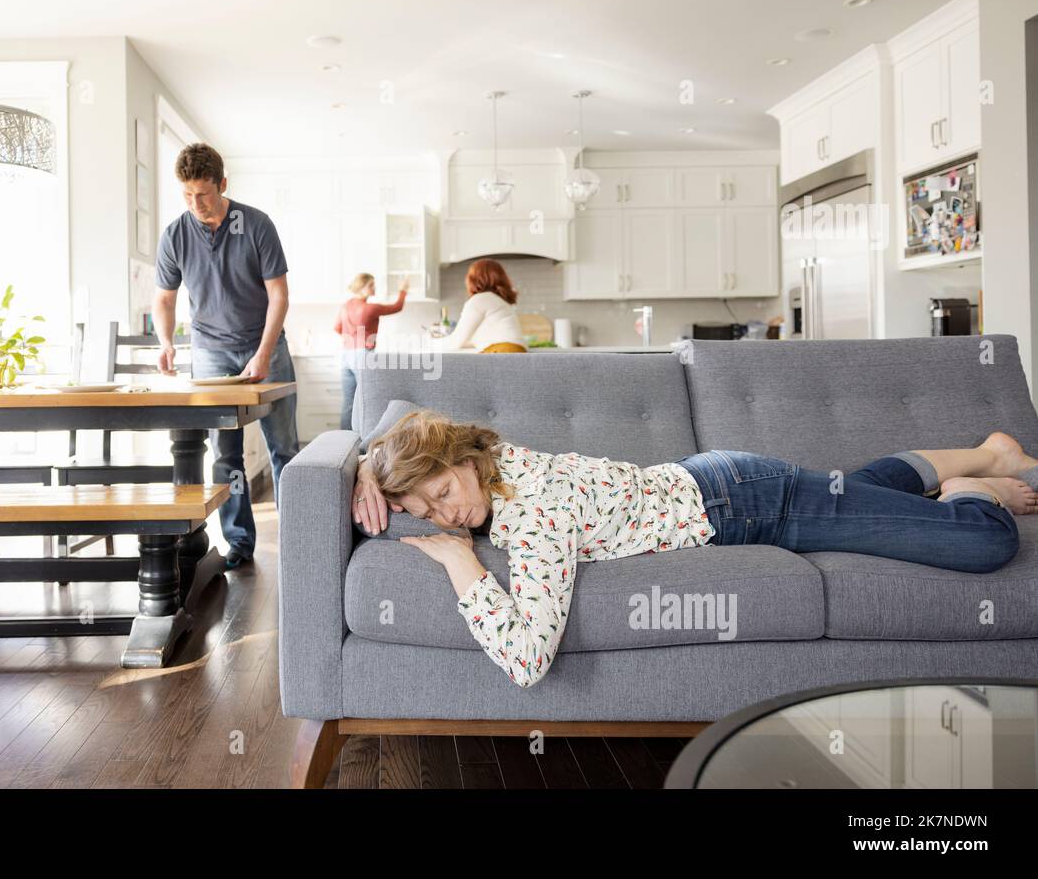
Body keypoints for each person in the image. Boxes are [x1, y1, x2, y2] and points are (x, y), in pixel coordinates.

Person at [351, 408, 1037, 689]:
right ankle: (989, 449)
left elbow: (529, 660)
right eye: (425, 511)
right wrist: (365, 471)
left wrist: (461, 563)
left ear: (459, 457)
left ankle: (973, 486)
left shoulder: (532, 512)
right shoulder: (491, 459)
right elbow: (399, 420)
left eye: (442, 490)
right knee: (857, 493)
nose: (447, 514)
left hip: (747, 503)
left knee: (984, 542)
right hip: (721, 481)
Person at [152, 142, 299, 570]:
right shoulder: (176, 234)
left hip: (265, 345)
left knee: (284, 448)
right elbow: (164, 299)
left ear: (223, 185)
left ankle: (299, 535)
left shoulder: (255, 225)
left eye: (204, 193)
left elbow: (279, 294)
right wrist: (166, 341)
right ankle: (239, 543)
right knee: (225, 455)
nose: (196, 204)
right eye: (187, 195)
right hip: (211, 352)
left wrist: (264, 353)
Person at [334, 273, 409, 431]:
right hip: (363, 355)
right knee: (367, 400)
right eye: (370, 285)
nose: (374, 288)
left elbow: (337, 328)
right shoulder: (370, 308)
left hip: (346, 356)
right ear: (361, 287)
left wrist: (352, 337)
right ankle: (366, 441)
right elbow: (397, 306)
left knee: (349, 403)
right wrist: (403, 290)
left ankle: (345, 441)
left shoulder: (345, 306)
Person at [431, 259, 526, 353]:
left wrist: (431, 344)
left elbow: (457, 340)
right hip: (515, 351)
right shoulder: (497, 300)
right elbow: (469, 340)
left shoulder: (480, 299)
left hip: (503, 351)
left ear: (472, 279)